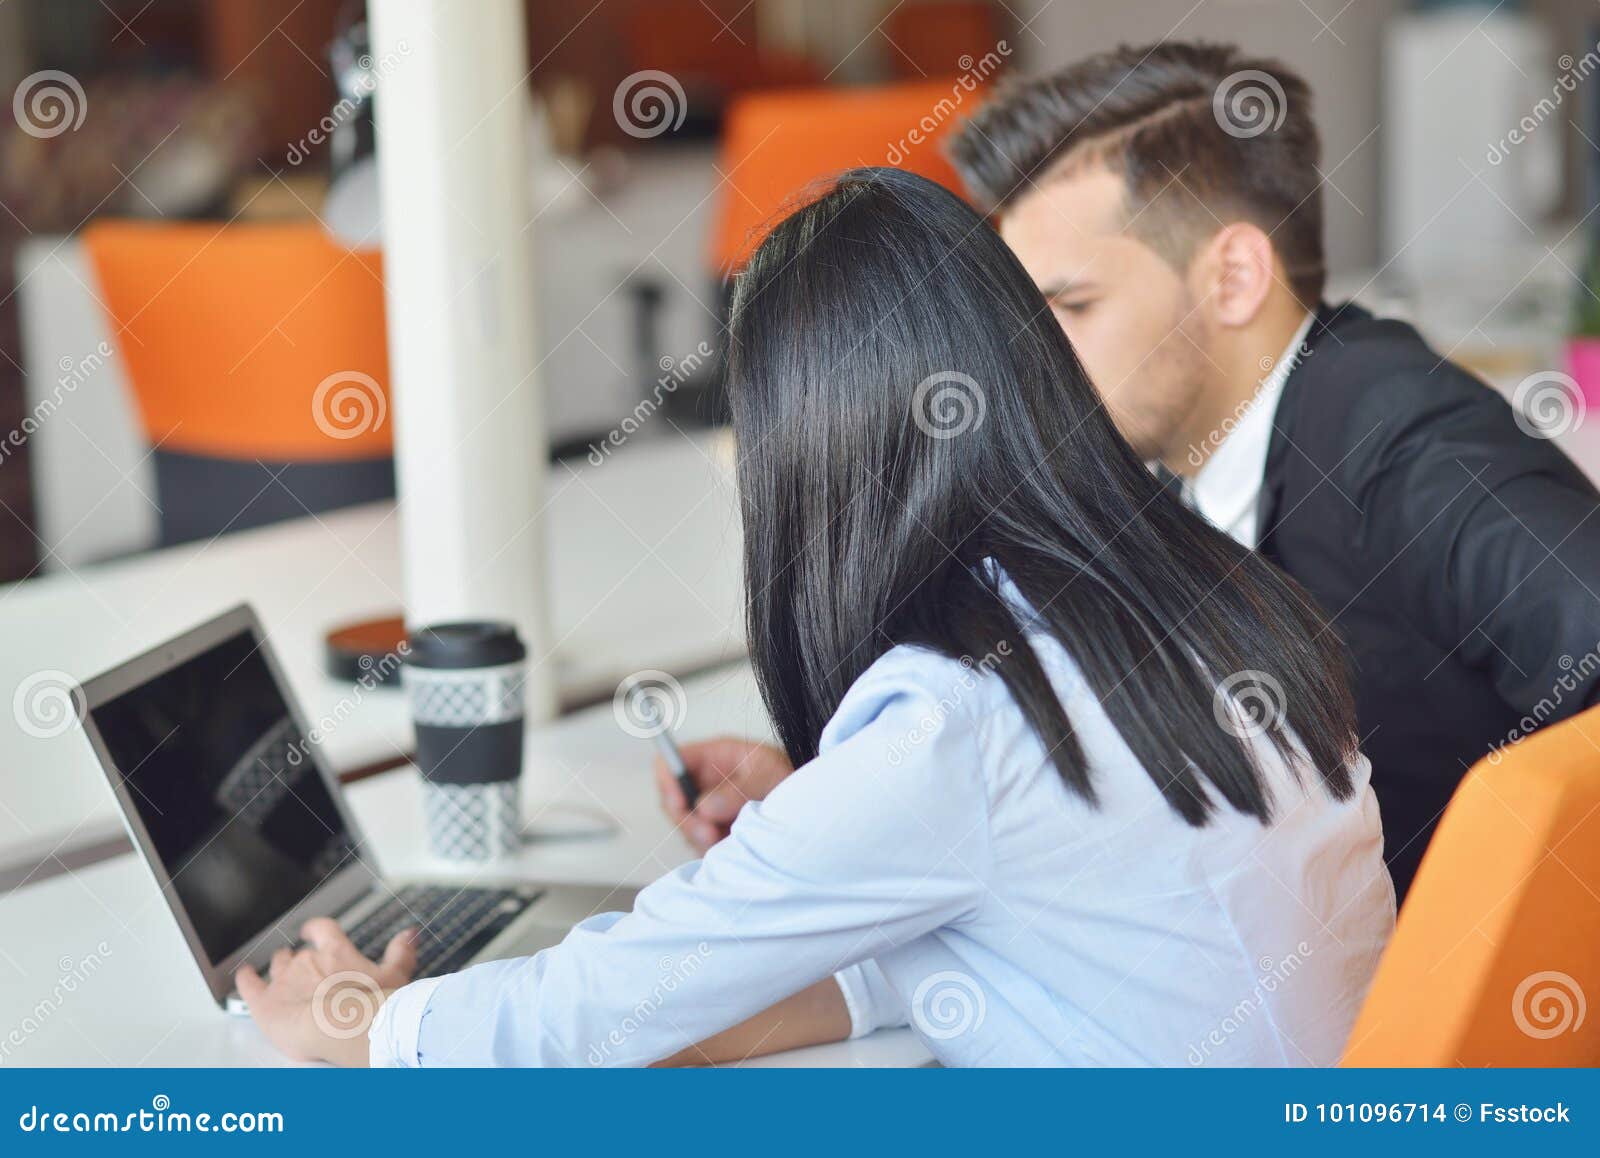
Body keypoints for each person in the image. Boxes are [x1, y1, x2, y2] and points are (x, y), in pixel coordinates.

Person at [241, 168, 1392, 1068]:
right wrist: (817, 832)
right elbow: (1050, 919)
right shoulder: (1205, 592)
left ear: (808, 452)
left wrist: (374, 1027)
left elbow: (608, 997)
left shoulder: (956, 723)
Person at [918, 40, 1600, 899]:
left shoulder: (1407, 451)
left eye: (1072, 307)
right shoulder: (1164, 469)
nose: (1033, 362)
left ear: (1235, 277)